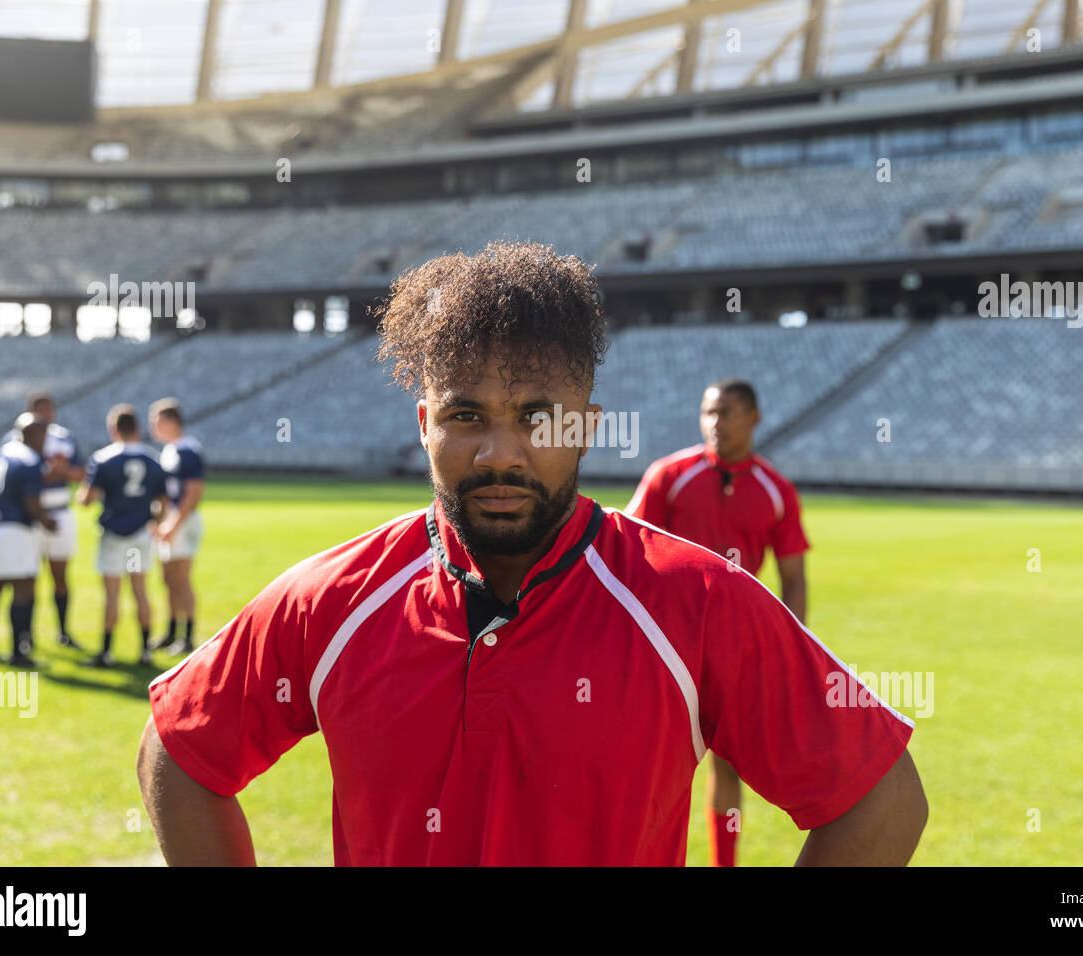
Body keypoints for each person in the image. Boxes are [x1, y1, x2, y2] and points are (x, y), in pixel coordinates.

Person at [137, 240, 926, 866]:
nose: (500, 454)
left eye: (538, 416)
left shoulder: (698, 603)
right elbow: (178, 752)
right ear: (424, 424)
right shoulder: (334, 599)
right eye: (467, 414)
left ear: (585, 425)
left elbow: (881, 802)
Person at [626, 378, 809, 866]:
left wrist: (788, 651)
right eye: (708, 412)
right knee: (651, 773)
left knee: (729, 768)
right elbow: (624, 555)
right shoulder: (669, 475)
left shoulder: (776, 491)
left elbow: (794, 577)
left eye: (726, 413)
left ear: (754, 418)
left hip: (732, 648)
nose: (714, 423)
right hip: (662, 646)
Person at [78, 404, 169, 668]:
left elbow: (87, 498)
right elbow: (164, 502)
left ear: (113, 430)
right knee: (140, 591)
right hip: (139, 534)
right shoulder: (153, 458)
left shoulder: (103, 458)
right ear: (137, 428)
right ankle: (145, 650)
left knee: (112, 595)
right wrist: (156, 522)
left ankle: (106, 651)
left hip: (113, 535)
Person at [0, 413, 56, 667]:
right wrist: (48, 522)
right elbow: (31, 503)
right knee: (23, 590)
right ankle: (18, 652)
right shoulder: (30, 461)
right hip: (15, 531)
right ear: (33, 435)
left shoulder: (2, 453)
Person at [19, 392, 86, 651]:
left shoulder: (64, 437)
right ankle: (27, 634)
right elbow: (22, 478)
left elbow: (81, 473)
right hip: (32, 513)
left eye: (49, 409)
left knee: (60, 574)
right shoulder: (21, 436)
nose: (46, 415)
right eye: (40, 410)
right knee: (28, 576)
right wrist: (48, 474)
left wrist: (63, 471)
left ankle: (63, 630)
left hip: (59, 511)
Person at [147, 398, 206, 656]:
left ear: (170, 420)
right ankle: (171, 631)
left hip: (183, 520)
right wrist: (159, 521)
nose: (153, 426)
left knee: (181, 580)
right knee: (168, 578)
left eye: (156, 420)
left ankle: (188, 635)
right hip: (170, 518)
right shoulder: (169, 449)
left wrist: (172, 524)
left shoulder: (188, 449)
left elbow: (193, 492)